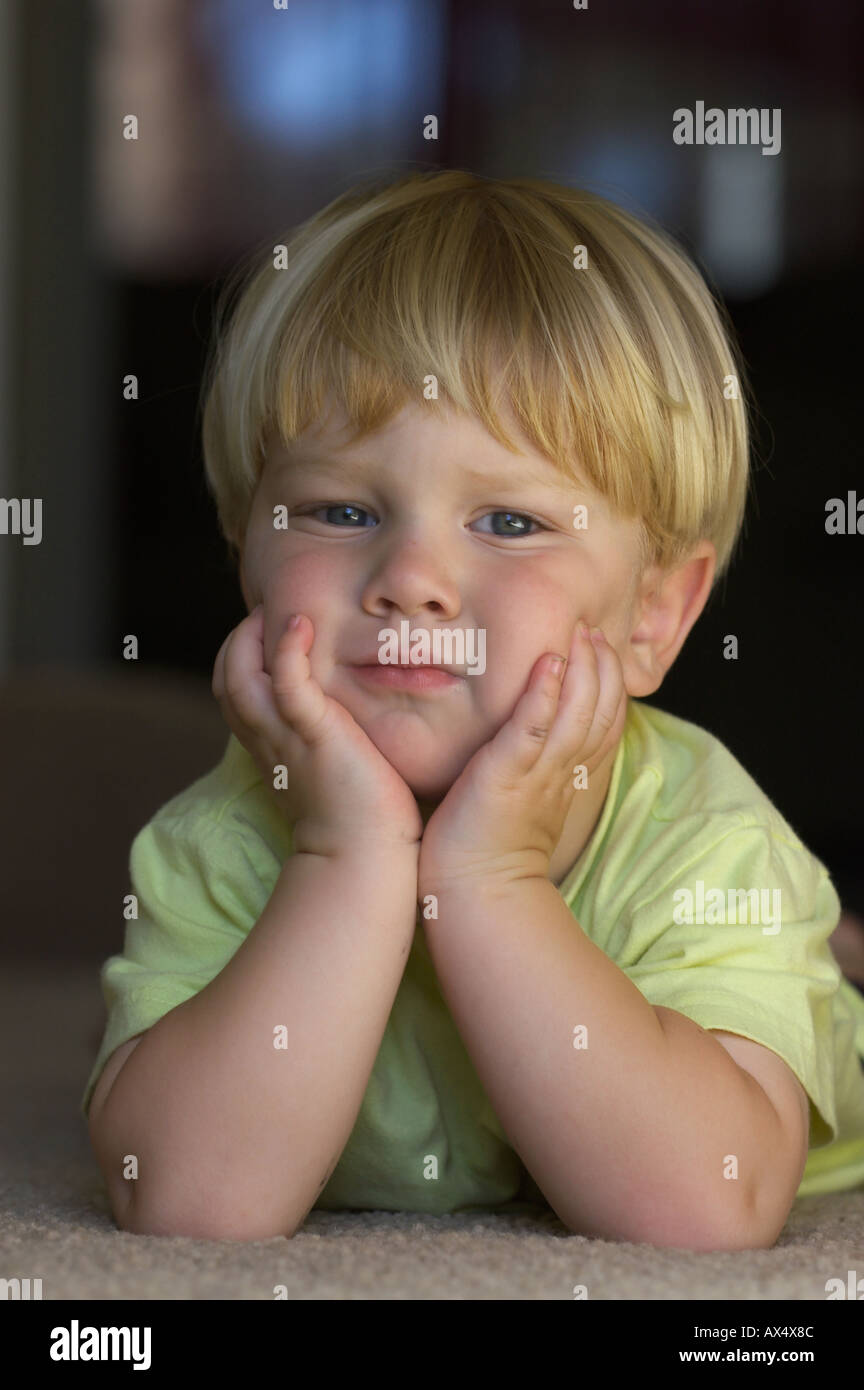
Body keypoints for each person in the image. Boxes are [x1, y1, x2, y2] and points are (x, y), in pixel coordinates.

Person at [82, 171, 864, 1248]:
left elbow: (701, 1206)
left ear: (652, 614)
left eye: (507, 521)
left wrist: (488, 881)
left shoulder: (709, 847)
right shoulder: (220, 841)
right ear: (248, 561)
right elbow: (184, 1198)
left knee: (812, 967)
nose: (411, 578)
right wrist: (340, 857)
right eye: (340, 509)